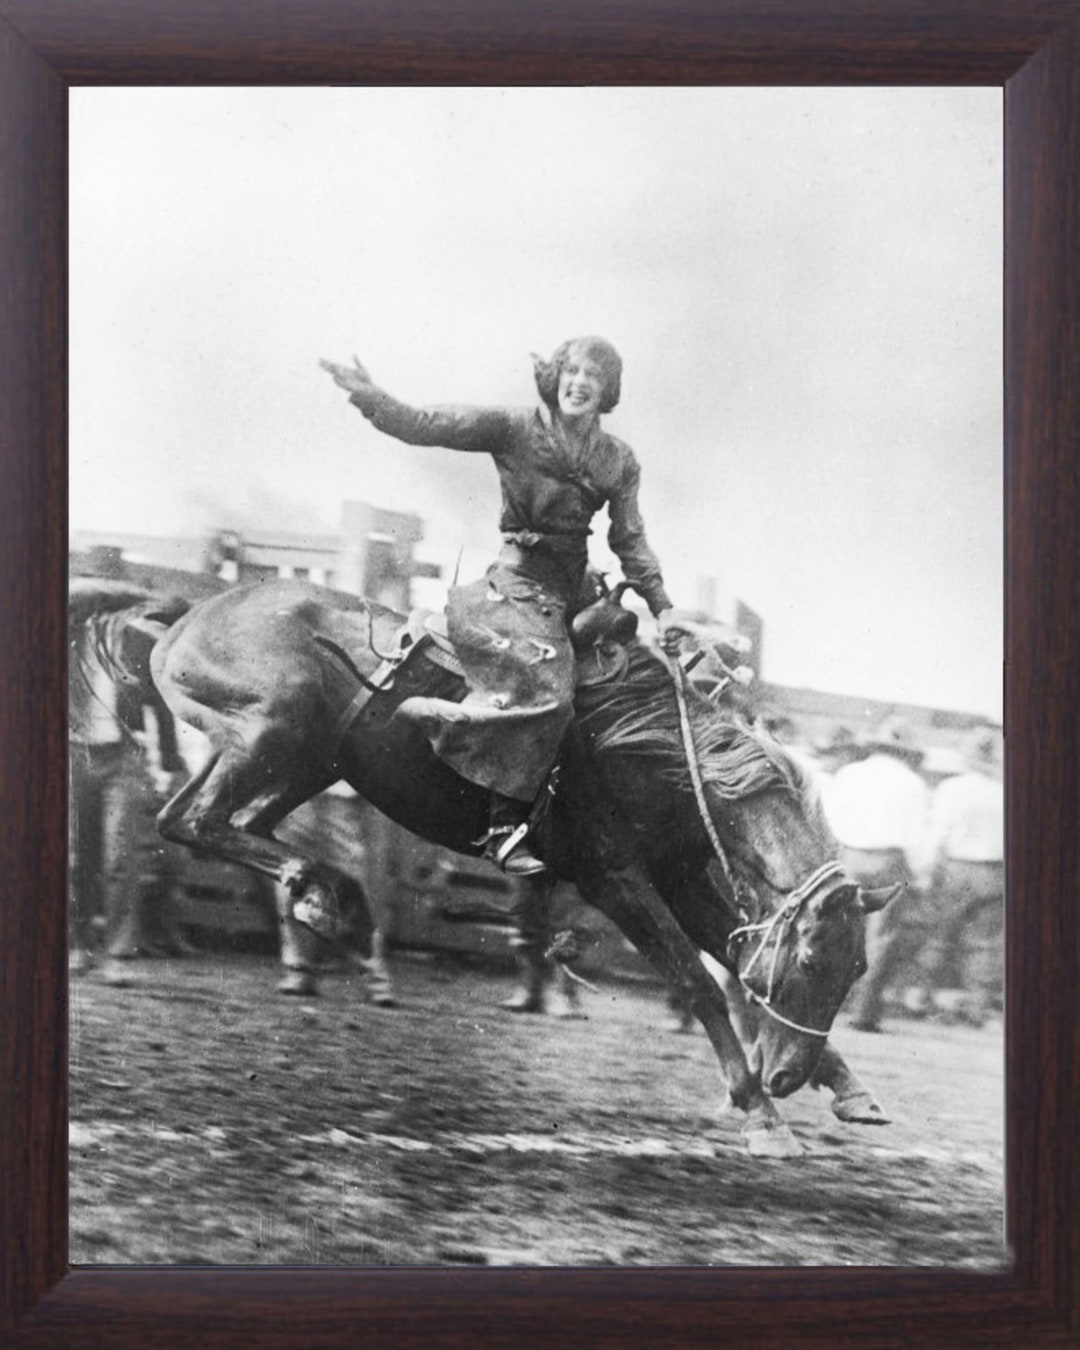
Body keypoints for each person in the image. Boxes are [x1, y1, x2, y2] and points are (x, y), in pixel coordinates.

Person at [321, 337, 688, 877]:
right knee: (551, 690)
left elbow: (629, 538)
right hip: (517, 584)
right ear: (556, 376)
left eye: (595, 376)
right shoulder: (515, 426)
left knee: (626, 680)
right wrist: (371, 397)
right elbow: (427, 423)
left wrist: (666, 607)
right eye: (572, 370)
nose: (580, 382)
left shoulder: (618, 459)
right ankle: (501, 825)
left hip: (576, 589)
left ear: (608, 390)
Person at [821, 715, 934, 1032]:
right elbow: (917, 836)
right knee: (881, 938)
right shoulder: (914, 784)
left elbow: (828, 819)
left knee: (837, 930)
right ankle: (864, 1012)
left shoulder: (849, 774)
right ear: (906, 752)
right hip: (889, 860)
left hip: (847, 856)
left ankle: (825, 1002)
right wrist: (922, 876)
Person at [920, 725, 1004, 1024]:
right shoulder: (1004, 791)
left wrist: (926, 869)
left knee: (940, 937)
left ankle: (924, 999)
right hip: (992, 870)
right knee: (983, 944)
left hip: (955, 868)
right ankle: (976, 1008)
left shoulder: (952, 788)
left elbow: (938, 832)